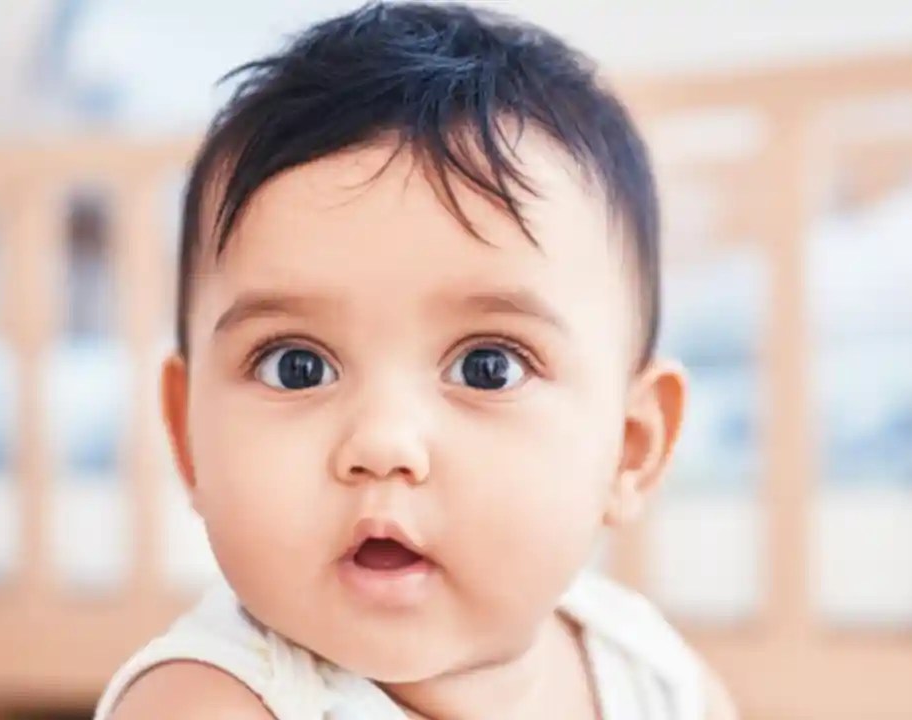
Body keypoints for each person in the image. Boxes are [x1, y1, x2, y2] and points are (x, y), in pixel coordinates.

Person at [96, 3, 736, 718]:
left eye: (488, 366)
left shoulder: (649, 673)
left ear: (631, 446)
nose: (382, 443)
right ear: (189, 437)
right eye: (296, 365)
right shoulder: (209, 705)